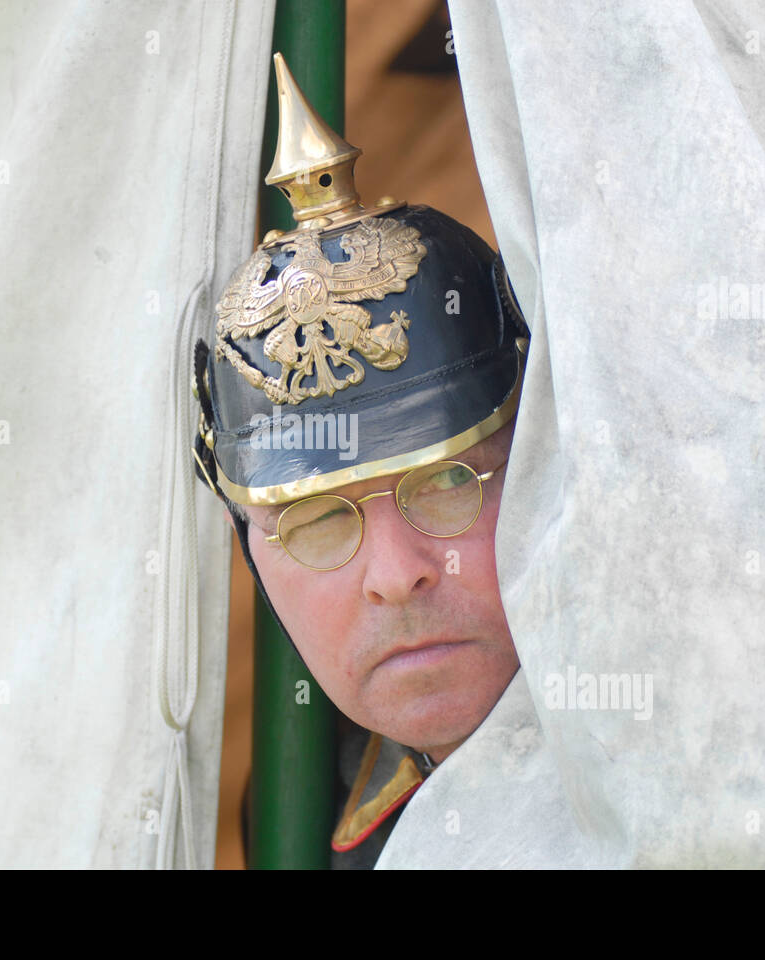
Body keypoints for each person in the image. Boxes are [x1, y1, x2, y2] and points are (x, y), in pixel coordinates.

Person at [192, 53, 528, 867]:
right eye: (313, 522)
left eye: (448, 482)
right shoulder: (306, 809)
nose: (393, 573)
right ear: (250, 553)